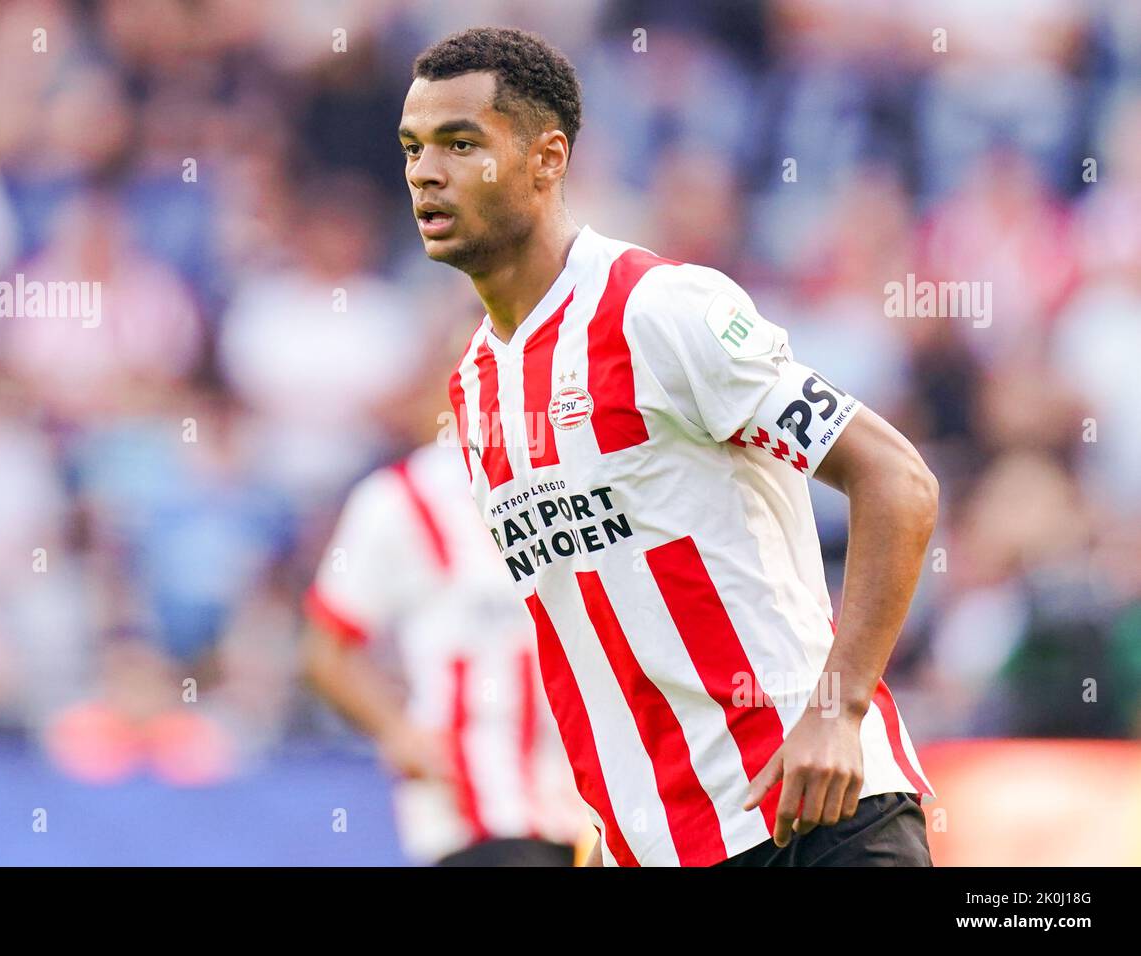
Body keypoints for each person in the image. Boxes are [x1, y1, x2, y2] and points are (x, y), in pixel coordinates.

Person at [398, 26, 937, 867]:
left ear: (547, 160)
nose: (426, 171)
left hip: (811, 814)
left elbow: (897, 479)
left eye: (462, 144)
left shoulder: (657, 309)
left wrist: (838, 708)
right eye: (413, 147)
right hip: (657, 846)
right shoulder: (473, 388)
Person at [303, 436, 589, 866]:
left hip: (592, 800)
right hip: (479, 804)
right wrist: (395, 730)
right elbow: (326, 650)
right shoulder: (401, 496)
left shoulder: (578, 465)